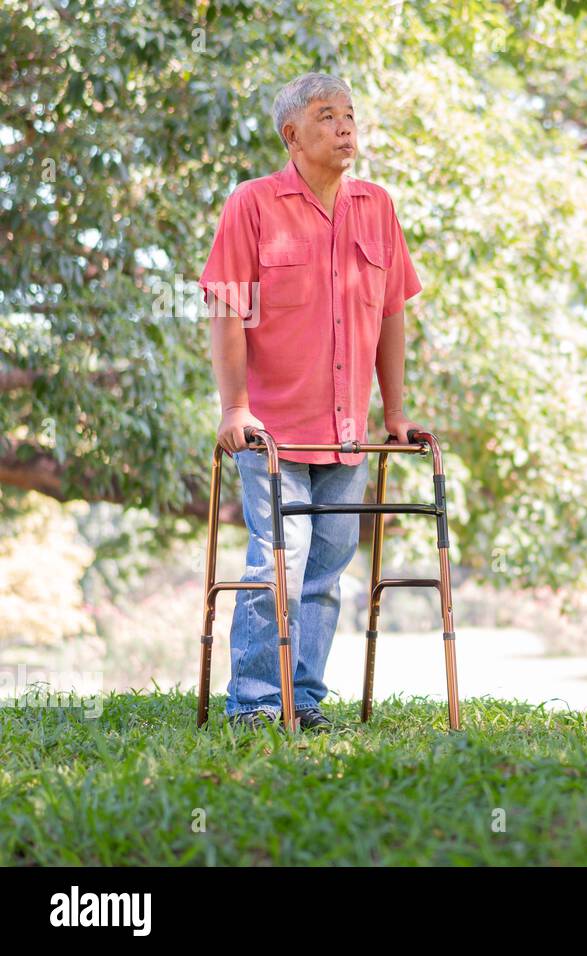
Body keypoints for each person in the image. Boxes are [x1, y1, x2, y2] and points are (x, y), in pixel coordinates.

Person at [199, 72, 426, 731]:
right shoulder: (253, 204)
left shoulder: (377, 207)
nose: (345, 126)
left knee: (327, 571)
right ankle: (257, 704)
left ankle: (306, 701)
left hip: (347, 433)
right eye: (327, 117)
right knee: (278, 560)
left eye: (350, 115)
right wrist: (234, 407)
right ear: (292, 134)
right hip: (272, 431)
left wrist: (397, 413)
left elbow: (390, 316)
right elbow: (228, 309)